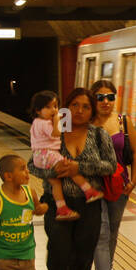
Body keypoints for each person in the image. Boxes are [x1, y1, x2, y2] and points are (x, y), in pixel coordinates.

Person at [28, 88, 115, 270]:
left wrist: (80, 168)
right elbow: (32, 165)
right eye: (75, 105)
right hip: (58, 204)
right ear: (65, 107)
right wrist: (52, 169)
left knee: (83, 255)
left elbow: (111, 166)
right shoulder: (53, 131)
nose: (79, 111)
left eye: (86, 106)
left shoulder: (99, 135)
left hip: (90, 204)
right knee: (59, 252)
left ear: (92, 110)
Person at [90, 79, 136, 270]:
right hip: (93, 187)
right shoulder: (86, 122)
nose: (106, 102)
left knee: (112, 232)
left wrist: (135, 180)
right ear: (93, 99)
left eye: (110, 97)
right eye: (100, 97)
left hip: (119, 186)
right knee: (101, 233)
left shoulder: (123, 122)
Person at [29, 89, 101, 219]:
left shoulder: (36, 123)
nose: (54, 110)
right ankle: (89, 191)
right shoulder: (44, 123)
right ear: (37, 110)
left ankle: (61, 208)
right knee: (71, 168)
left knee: (56, 184)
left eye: (55, 106)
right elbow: (56, 133)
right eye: (48, 107)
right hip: (48, 154)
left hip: (40, 156)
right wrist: (57, 120)